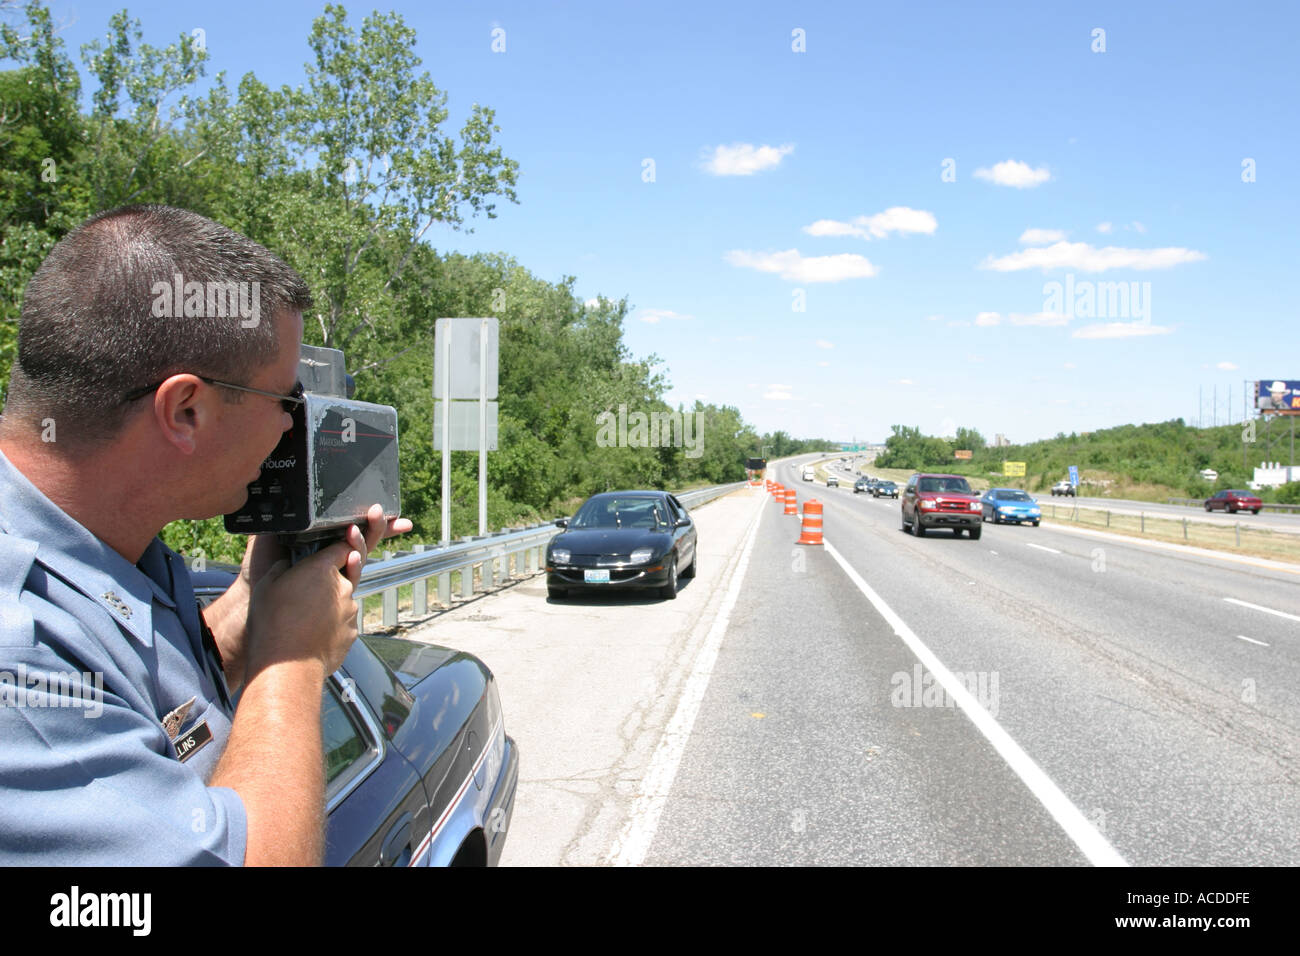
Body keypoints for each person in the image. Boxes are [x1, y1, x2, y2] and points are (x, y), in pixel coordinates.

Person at [0, 205, 410, 865]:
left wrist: (249, 612)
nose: (290, 430)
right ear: (185, 410)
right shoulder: (18, 658)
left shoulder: (109, 545)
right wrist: (294, 660)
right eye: (287, 401)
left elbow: (144, 707)